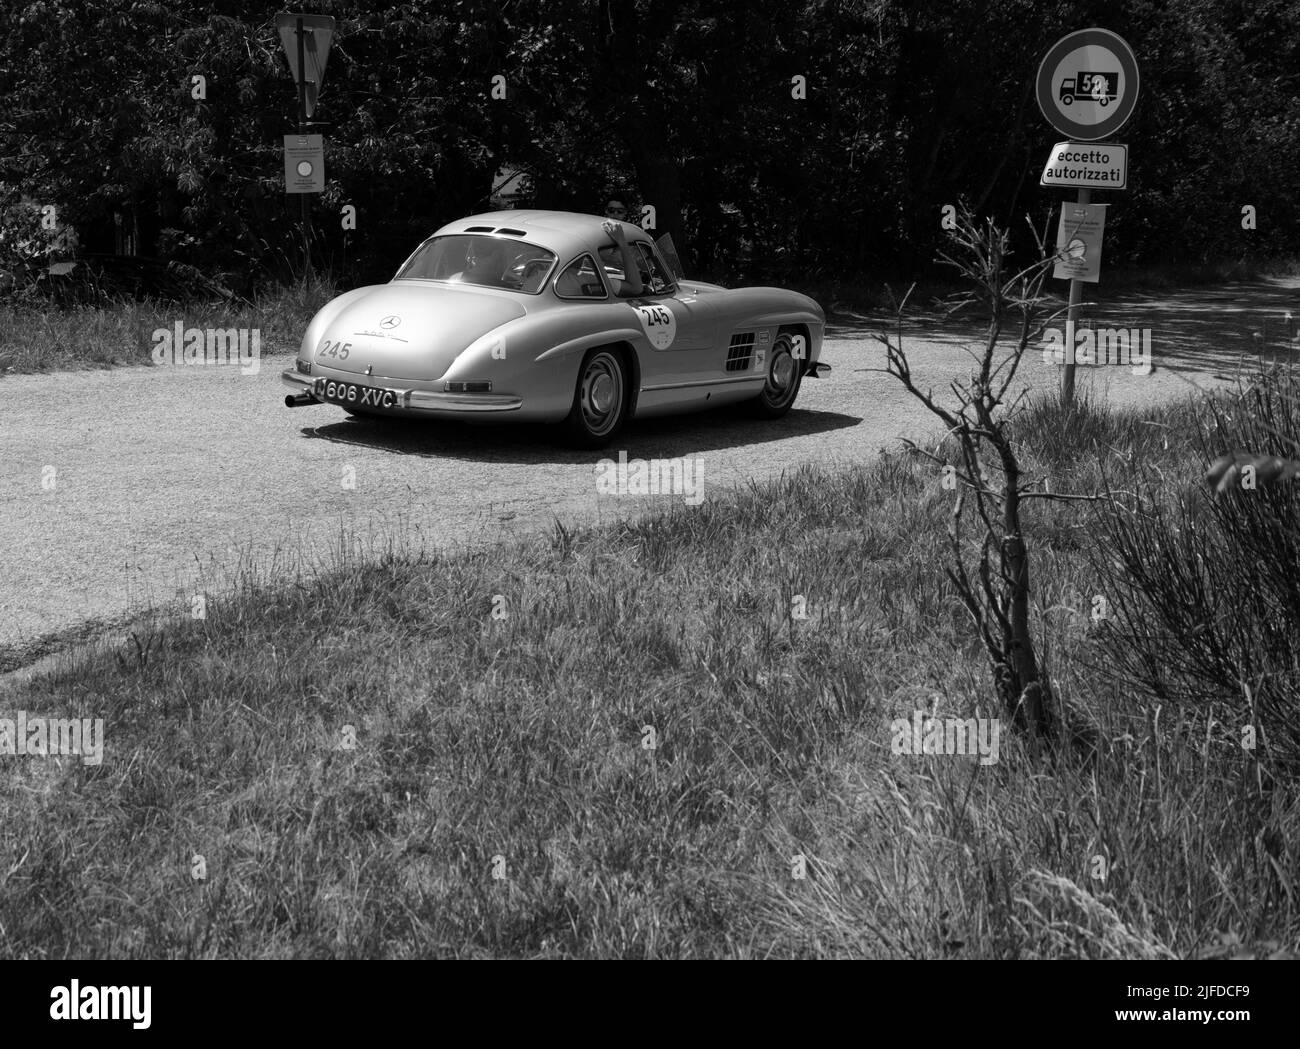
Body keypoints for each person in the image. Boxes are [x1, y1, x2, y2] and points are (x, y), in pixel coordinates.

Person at [599, 219, 643, 297]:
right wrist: (622, 242)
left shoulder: (574, 277)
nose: (615, 213)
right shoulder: (593, 280)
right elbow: (636, 289)